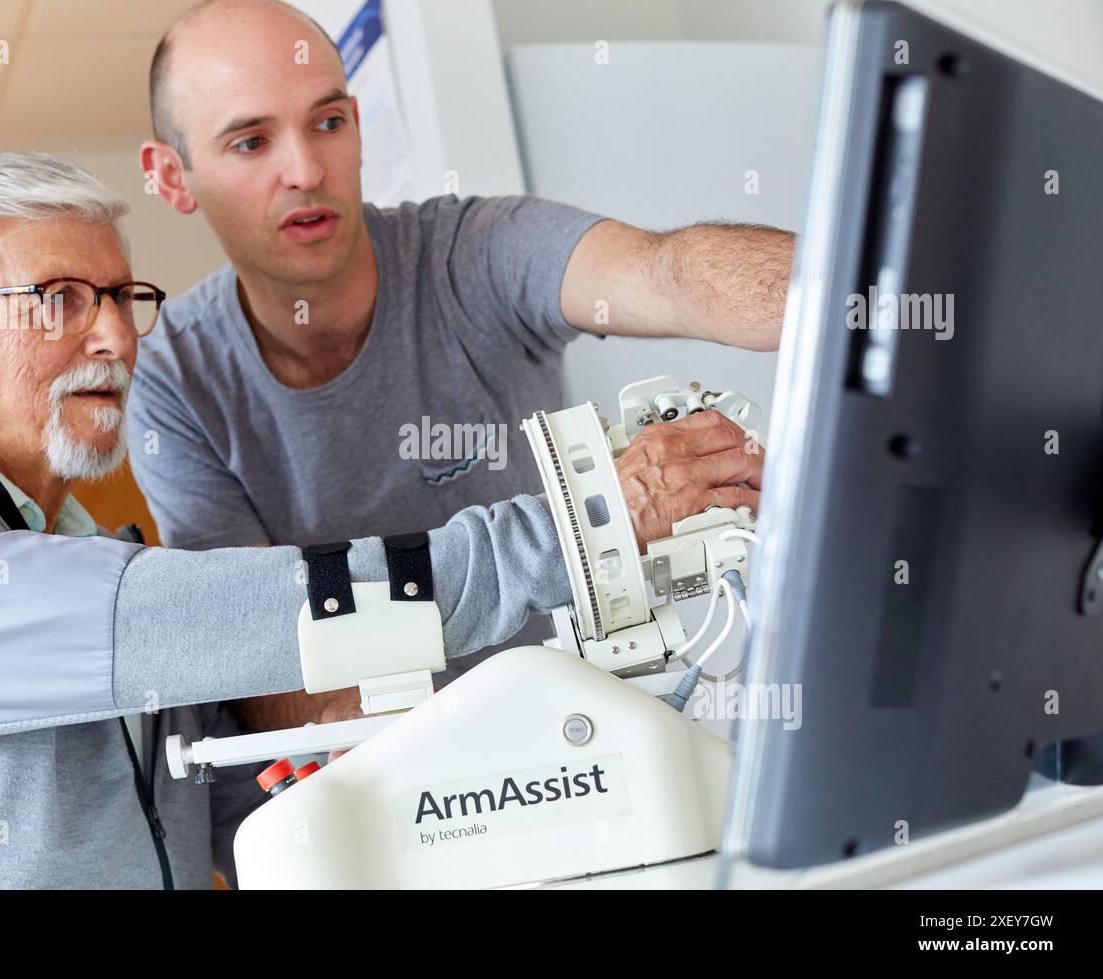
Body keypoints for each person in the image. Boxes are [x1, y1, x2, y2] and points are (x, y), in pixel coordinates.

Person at [0, 152, 671, 889]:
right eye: (62, 299)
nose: (114, 336)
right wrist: (574, 530)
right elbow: (204, 616)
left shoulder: (82, 555)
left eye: (120, 296)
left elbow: (257, 808)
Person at [129, 0, 779, 779]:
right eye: (251, 141)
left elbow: (664, 273)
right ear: (173, 177)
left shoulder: (471, 254)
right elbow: (260, 648)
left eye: (328, 123)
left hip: (587, 750)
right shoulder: (173, 385)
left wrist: (863, 300)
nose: (304, 170)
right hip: (393, 796)